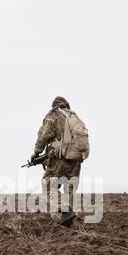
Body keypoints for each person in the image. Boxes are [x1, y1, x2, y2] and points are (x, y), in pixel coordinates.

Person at [32, 96, 87, 227]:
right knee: (70, 188)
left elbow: (44, 135)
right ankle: (68, 220)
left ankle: (65, 211)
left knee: (48, 186)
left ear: (54, 106)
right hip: (76, 158)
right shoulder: (74, 118)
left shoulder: (54, 115)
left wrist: (36, 152)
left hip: (60, 158)